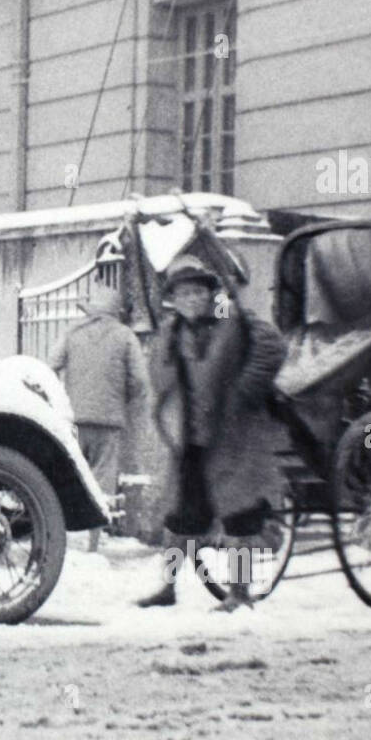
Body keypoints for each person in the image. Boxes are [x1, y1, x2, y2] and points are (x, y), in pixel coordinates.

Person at [138, 254, 287, 612]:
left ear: (209, 295)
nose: (191, 299)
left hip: (233, 437)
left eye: (197, 292)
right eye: (183, 293)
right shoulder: (171, 332)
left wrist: (246, 388)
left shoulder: (227, 317)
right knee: (181, 517)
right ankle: (168, 587)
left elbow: (271, 345)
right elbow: (161, 379)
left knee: (239, 518)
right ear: (174, 298)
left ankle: (239, 593)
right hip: (191, 441)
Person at [49, 272, 147, 550]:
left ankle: (59, 535)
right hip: (109, 419)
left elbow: (51, 364)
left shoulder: (73, 331)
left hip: (75, 417)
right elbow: (140, 380)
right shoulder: (125, 336)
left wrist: (63, 396)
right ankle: (93, 540)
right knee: (102, 478)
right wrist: (125, 397)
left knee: (70, 473)